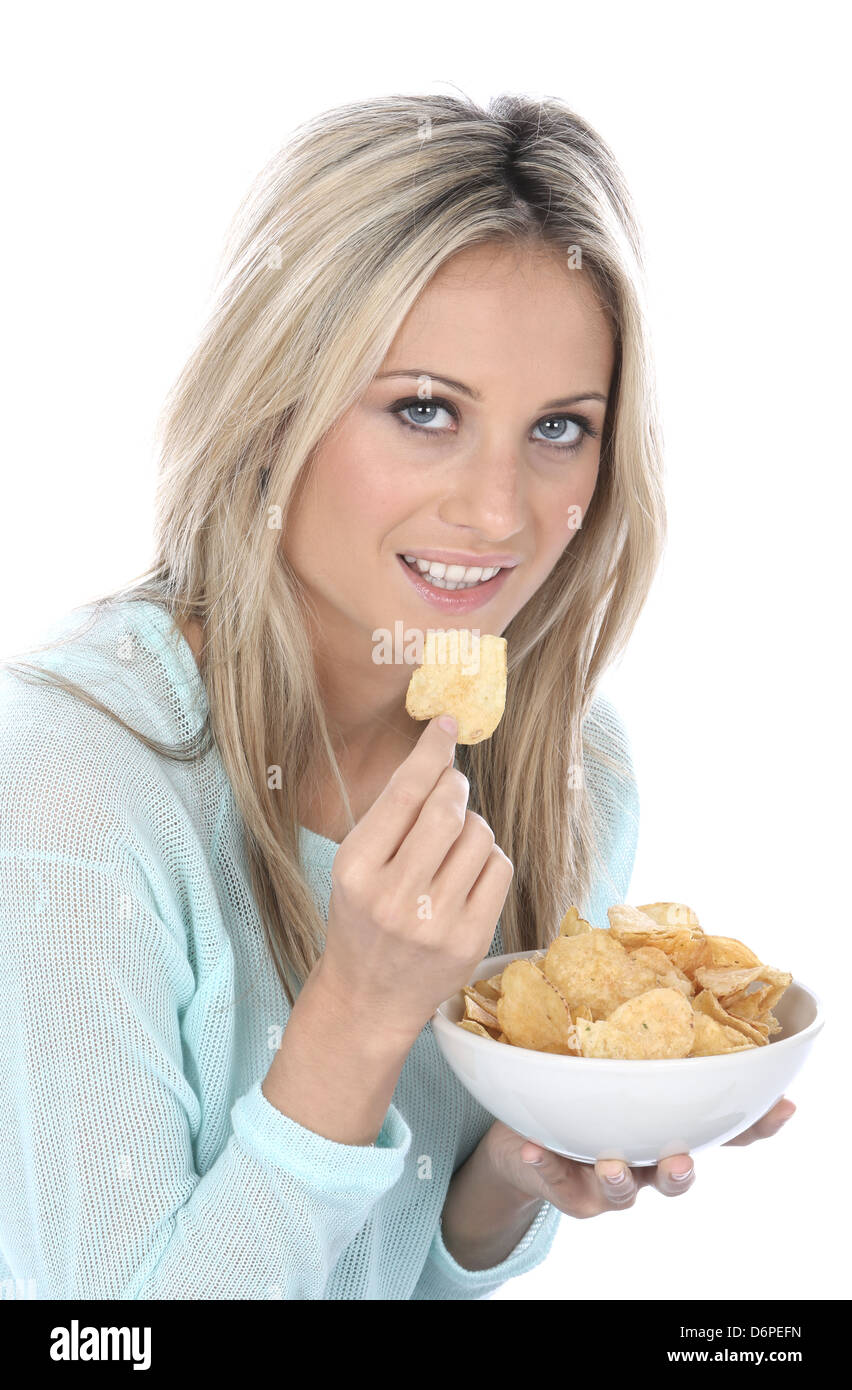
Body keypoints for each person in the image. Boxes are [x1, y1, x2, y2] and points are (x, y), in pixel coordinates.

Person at [0, 91, 794, 1302]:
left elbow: (399, 1269)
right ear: (275, 415)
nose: (501, 511)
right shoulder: (74, 786)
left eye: (560, 428)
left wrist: (515, 1173)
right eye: (425, 410)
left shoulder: (571, 765)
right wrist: (360, 1015)